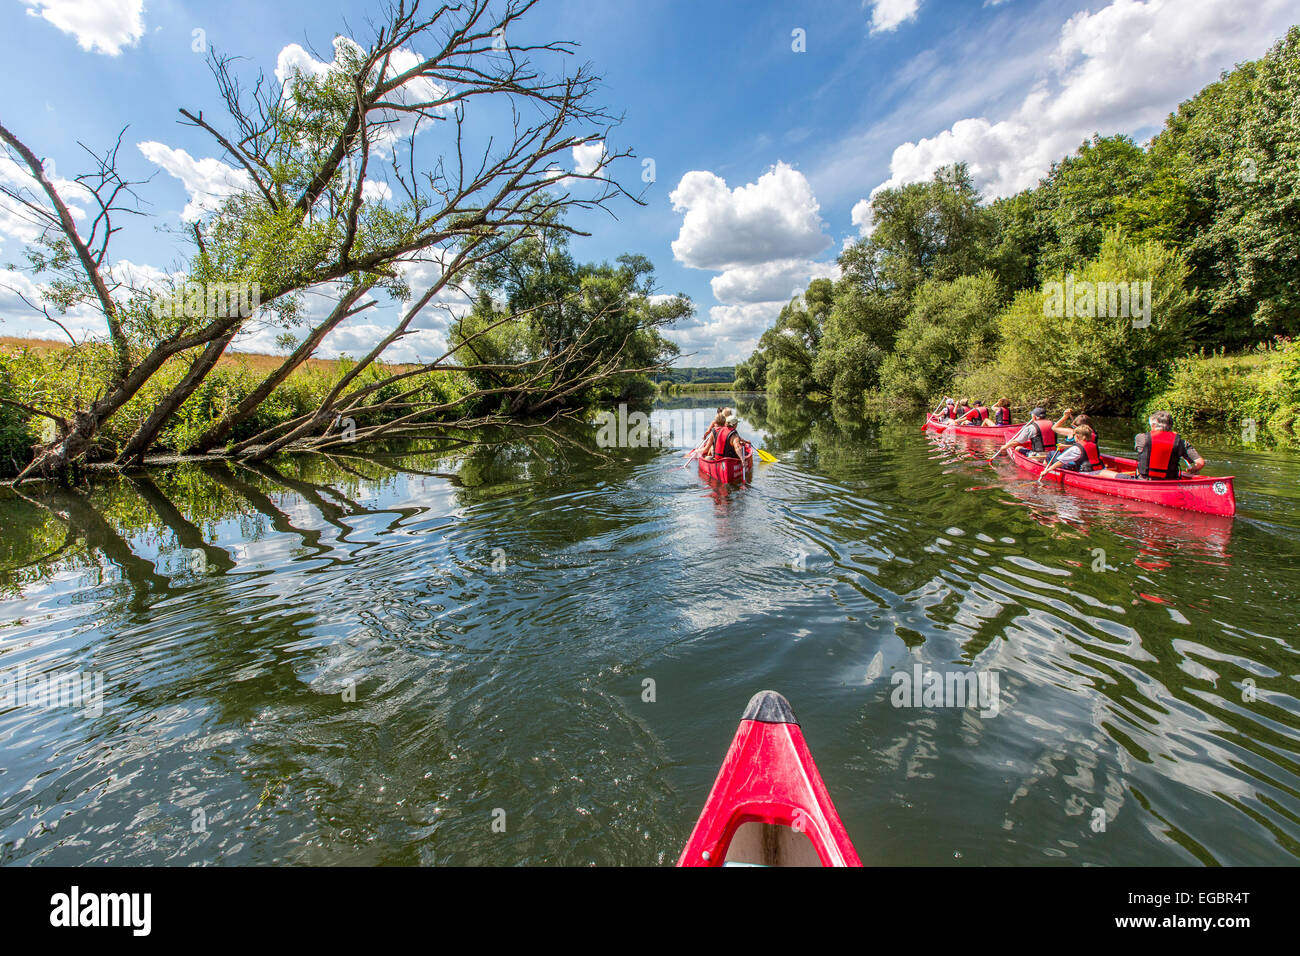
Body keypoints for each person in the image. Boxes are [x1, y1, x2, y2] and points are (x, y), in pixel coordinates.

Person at [1134, 410, 1204, 480]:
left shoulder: (1140, 438)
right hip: (1170, 481)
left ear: (1153, 425)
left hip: (1145, 480)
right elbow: (1200, 462)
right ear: (1170, 426)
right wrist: (1192, 470)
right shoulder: (1181, 442)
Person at [1036, 424, 1117, 481]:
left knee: (1051, 454)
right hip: (1098, 469)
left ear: (1077, 436)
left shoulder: (1076, 448)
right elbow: (1082, 449)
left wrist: (1046, 471)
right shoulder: (1093, 444)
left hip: (1086, 474)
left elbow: (1060, 462)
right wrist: (1066, 447)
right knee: (1115, 475)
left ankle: (1043, 467)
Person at [993, 407, 1058, 459]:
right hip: (1053, 455)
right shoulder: (1054, 425)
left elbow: (1017, 442)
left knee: (1018, 448)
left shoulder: (1031, 427)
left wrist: (1005, 447)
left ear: (1034, 417)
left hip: (1039, 456)